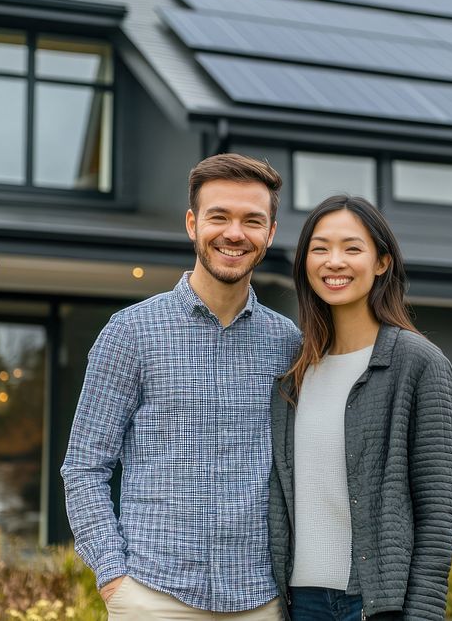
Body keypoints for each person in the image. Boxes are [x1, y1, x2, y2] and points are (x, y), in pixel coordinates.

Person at [61, 153, 301, 620]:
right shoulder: (131, 332)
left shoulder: (287, 343)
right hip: (155, 596)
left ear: (269, 234)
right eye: (219, 217)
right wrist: (114, 578)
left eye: (252, 220)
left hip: (261, 600)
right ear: (192, 223)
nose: (235, 233)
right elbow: (84, 468)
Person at [269, 196, 452, 621]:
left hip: (376, 605)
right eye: (320, 249)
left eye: (352, 248)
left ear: (381, 263)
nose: (334, 261)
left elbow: (437, 517)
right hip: (299, 603)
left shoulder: (418, 364)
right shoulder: (291, 371)